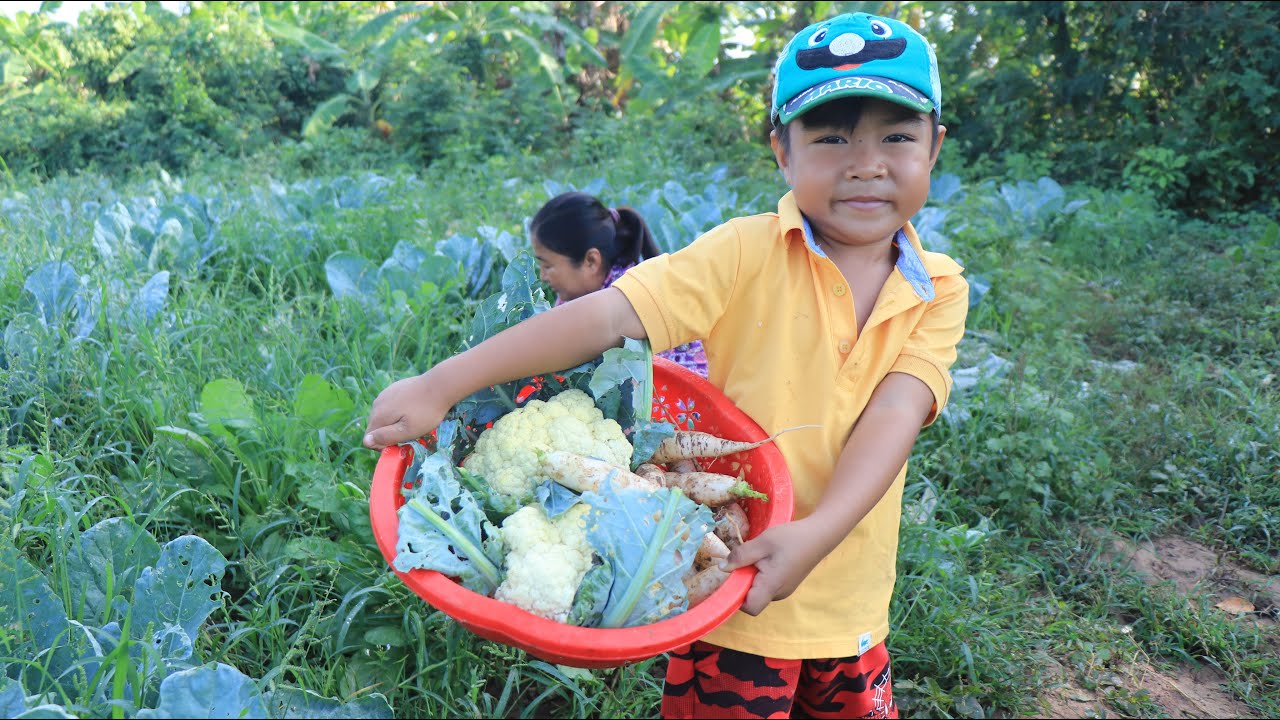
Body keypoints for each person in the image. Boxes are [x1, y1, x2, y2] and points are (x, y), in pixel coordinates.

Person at [365, 11, 967, 719]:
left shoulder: (939, 286)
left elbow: (895, 413)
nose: (866, 163)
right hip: (727, 585)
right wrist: (444, 383)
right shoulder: (743, 254)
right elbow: (610, 316)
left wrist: (817, 533)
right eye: (831, 137)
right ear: (782, 150)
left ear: (934, 147)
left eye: (896, 137)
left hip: (853, 599)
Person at [529, 191, 708, 377]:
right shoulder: (578, 292)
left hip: (682, 398)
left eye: (548, 266)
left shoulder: (626, 300)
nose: (542, 276)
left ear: (591, 261)